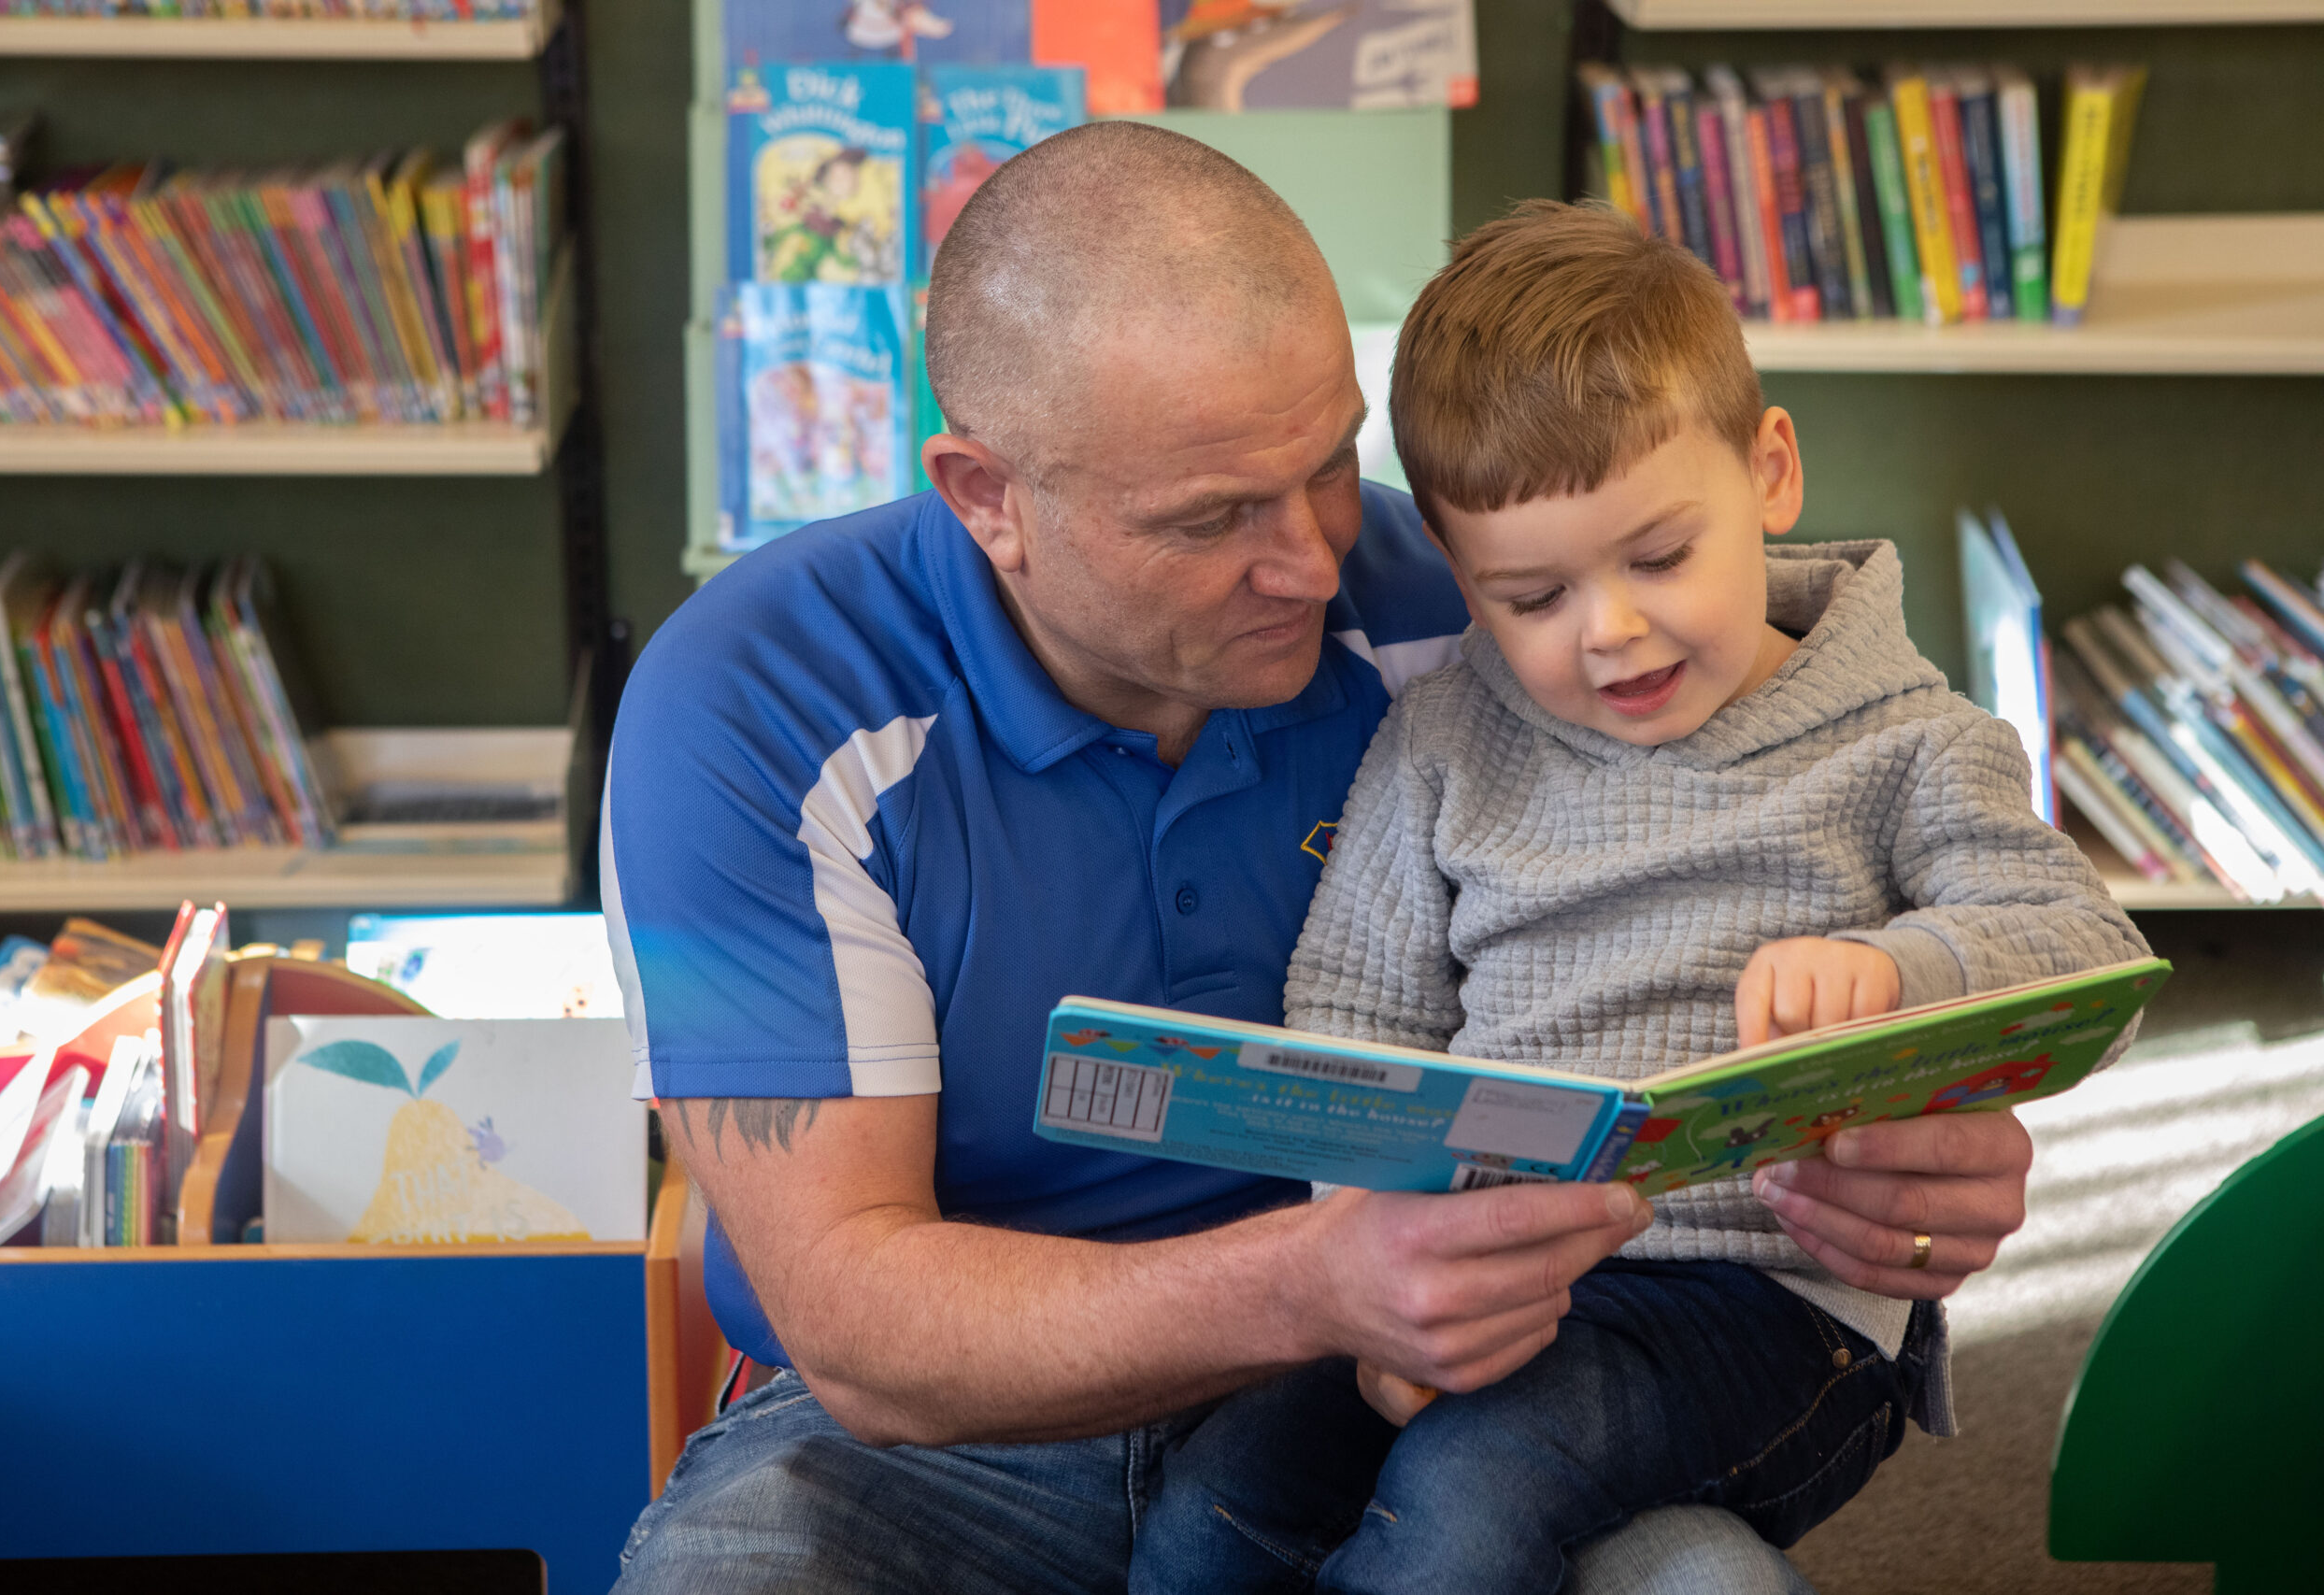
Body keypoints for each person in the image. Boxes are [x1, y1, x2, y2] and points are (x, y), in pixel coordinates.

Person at [600, 124, 2044, 1595]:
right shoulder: (754, 703)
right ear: (987, 497)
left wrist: (1916, 1154)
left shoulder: (1500, 615)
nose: (1309, 559)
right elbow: (857, 1323)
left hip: (1463, 1376)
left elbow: (1815, 847)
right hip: (948, 1433)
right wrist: (1313, 1282)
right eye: (1213, 518)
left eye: (1329, 463)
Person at [1126, 199, 2150, 1595]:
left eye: (1659, 558)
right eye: (1532, 595)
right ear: (1450, 564)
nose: (1609, 631)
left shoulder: (1911, 743)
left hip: (1776, 1312)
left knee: (1469, 1492)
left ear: (1770, 469)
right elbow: (1355, 1013)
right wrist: (1383, 1280)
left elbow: (2092, 961)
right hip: (1494, 1277)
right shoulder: (1442, 743)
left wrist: (1900, 971)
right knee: (1218, 1499)